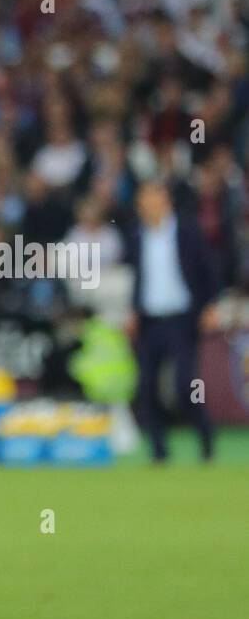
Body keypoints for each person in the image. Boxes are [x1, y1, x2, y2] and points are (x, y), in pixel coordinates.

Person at [123, 180, 219, 462]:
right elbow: (140, 279)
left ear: (165, 201)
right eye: (142, 202)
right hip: (150, 321)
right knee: (147, 387)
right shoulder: (138, 236)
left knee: (184, 386)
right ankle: (159, 453)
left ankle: (205, 439)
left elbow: (208, 271)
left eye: (150, 200)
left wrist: (211, 306)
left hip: (182, 319)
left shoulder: (187, 232)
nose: (145, 207)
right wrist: (133, 311)